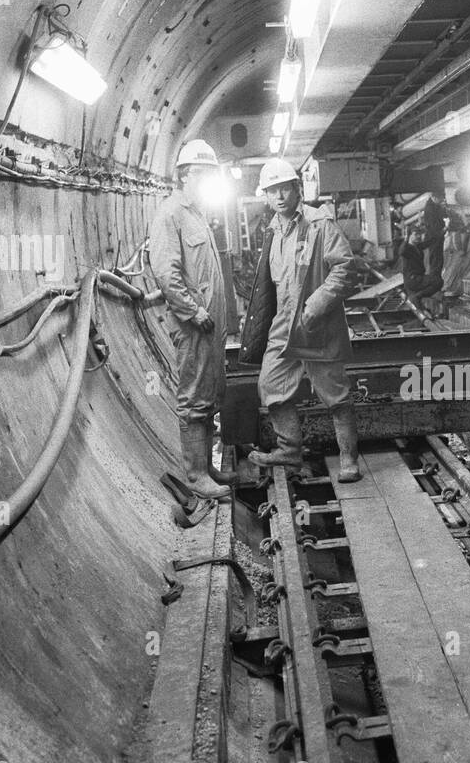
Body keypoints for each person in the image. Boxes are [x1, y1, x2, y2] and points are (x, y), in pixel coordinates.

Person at [237, 159, 363, 484]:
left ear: (296, 189)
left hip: (315, 326)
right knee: (270, 384)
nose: (279, 196)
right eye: (272, 191)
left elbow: (345, 267)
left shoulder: (320, 224)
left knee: (336, 396)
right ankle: (289, 449)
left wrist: (318, 303)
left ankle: (349, 459)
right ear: (265, 197)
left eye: (284, 188)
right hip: (283, 327)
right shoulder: (273, 232)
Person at [148, 138, 233, 501]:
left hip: (210, 326)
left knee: (210, 396)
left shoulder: (196, 213)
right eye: (203, 173)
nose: (208, 180)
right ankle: (196, 475)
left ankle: (207, 467)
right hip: (193, 325)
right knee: (194, 398)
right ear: (185, 175)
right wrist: (193, 311)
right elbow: (166, 273)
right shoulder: (170, 214)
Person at [422, 188, 447, 287]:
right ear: (435, 197)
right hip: (434, 238)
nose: (442, 200)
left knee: (436, 260)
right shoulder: (430, 208)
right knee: (436, 260)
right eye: (440, 198)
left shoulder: (433, 205)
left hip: (435, 237)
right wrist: (443, 230)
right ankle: (435, 282)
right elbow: (434, 226)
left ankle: (435, 281)